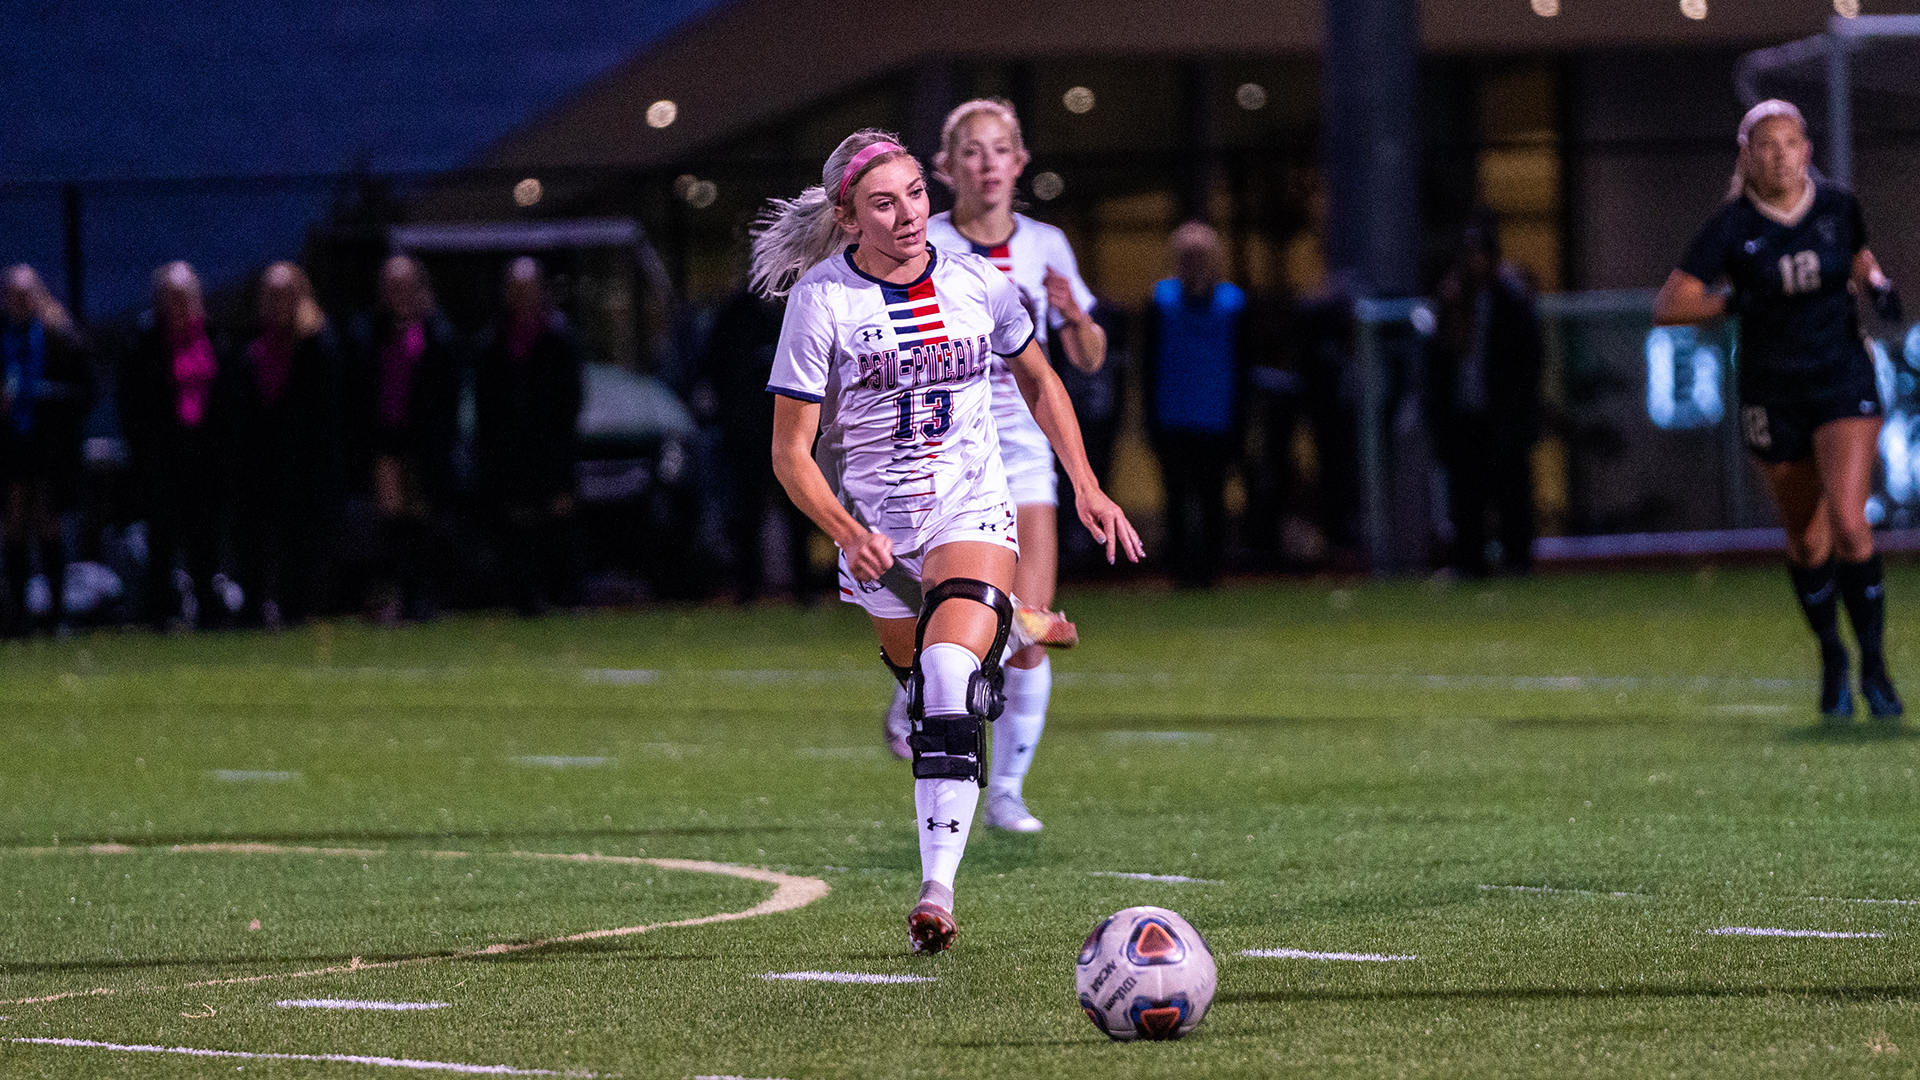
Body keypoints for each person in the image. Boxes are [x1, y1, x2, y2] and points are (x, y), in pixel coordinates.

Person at [752, 128, 1140, 954]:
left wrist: (1088, 484)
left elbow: (1038, 376)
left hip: (973, 506)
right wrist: (846, 530)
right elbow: (790, 453)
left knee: (945, 674)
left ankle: (937, 889)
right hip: (878, 536)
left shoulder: (975, 280)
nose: (906, 215)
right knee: (927, 677)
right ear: (848, 218)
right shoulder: (821, 301)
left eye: (915, 196)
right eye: (883, 204)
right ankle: (1007, 630)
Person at [888, 98, 1108, 833]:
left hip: (1021, 446)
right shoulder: (930, 240)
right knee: (955, 611)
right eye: (971, 152)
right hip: (939, 445)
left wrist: (1075, 317)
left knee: (1030, 626)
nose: (987, 164)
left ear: (1020, 162)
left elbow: (1087, 358)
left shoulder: (1046, 244)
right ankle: (922, 676)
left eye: (999, 150)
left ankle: (1007, 789)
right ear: (947, 169)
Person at [1654, 99, 1904, 722]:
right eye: (1766, 145)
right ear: (1747, 155)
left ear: (1807, 149)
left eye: (1790, 142)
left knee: (1850, 521)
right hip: (1772, 388)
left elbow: (1859, 260)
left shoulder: (1839, 206)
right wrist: (1734, 303)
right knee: (1807, 536)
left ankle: (1873, 664)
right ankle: (1832, 657)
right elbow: (1671, 305)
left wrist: (1878, 287)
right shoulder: (1731, 225)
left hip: (1842, 375)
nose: (1780, 155)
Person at [1426, 210, 1544, 577]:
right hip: (1464, 416)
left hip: (1501, 415)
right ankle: (1469, 563)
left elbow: (1529, 364)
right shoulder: (1449, 303)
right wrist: (1439, 419)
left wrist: (1521, 415)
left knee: (1511, 495)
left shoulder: (1512, 303)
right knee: (1466, 498)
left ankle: (1517, 564)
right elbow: (1435, 368)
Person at [120, 262, 236, 630]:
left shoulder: (216, 339)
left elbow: (231, 400)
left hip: (206, 453)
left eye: (184, 297)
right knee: (162, 539)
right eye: (170, 298)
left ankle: (208, 609)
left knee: (206, 536)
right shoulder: (143, 344)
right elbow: (131, 405)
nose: (178, 305)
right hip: (162, 455)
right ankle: (160, 613)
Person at [232, 261, 347, 627]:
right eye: (272, 295)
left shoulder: (321, 346)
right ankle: (254, 611)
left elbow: (331, 416)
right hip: (259, 463)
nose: (279, 301)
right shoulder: (250, 345)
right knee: (255, 542)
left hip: (305, 466)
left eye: (286, 294)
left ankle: (297, 611)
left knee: (301, 544)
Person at [351, 255, 463, 623]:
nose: (399, 293)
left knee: (426, 523)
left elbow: (448, 396)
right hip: (385, 445)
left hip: (425, 446)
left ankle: (425, 598)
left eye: (406, 285)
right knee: (392, 525)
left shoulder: (438, 334)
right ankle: (394, 598)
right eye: (392, 287)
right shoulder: (367, 333)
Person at [1140, 221, 1249, 588]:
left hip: (1218, 416)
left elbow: (1243, 366)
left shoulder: (1233, 302)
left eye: (1201, 253)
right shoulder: (1161, 299)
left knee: (1213, 497)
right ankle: (1179, 572)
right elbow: (1147, 363)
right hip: (1171, 416)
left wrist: (1242, 420)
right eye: (1188, 253)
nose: (1194, 259)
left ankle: (1211, 572)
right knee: (1176, 498)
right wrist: (1147, 416)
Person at [474, 257, 584, 616]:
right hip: (511, 455)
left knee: (558, 527)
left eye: (529, 289)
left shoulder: (560, 337)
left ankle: (565, 598)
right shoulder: (493, 341)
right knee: (517, 530)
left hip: (551, 452)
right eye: (516, 290)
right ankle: (525, 599)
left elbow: (571, 402)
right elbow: (487, 407)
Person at [0, 266, 93, 635]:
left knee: (49, 522)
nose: (20, 302)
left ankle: (56, 613)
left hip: (51, 448)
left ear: (38, 295)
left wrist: (43, 395)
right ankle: (17, 614)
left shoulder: (62, 339)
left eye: (26, 295)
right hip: (10, 449)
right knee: (15, 524)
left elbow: (86, 392)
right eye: (12, 296)